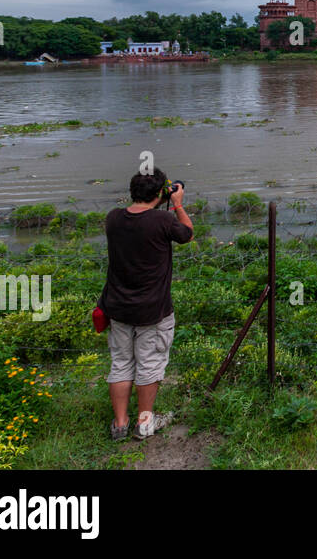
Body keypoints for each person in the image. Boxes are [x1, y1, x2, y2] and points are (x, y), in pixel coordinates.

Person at [98, 168, 193, 440]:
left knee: (121, 363)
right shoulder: (163, 221)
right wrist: (177, 204)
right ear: (160, 193)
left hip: (118, 307)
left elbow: (139, 219)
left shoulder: (113, 218)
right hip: (153, 310)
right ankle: (144, 423)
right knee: (149, 364)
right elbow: (187, 233)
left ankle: (119, 424)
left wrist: (162, 199)